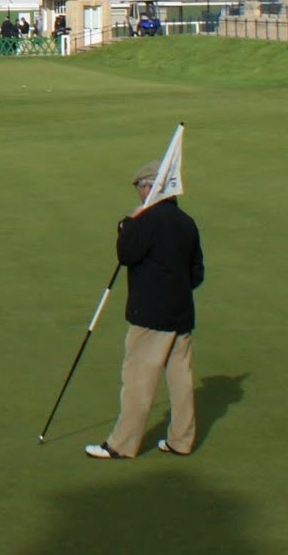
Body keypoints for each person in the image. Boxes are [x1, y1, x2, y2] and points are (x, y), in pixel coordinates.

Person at [85, 161, 205, 460]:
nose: (139, 193)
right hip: (182, 314)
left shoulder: (146, 220)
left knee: (138, 379)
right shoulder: (186, 222)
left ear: (152, 187)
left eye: (141, 187)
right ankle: (182, 439)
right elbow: (196, 274)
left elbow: (126, 254)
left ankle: (122, 444)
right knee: (180, 379)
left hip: (151, 316)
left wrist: (128, 223)